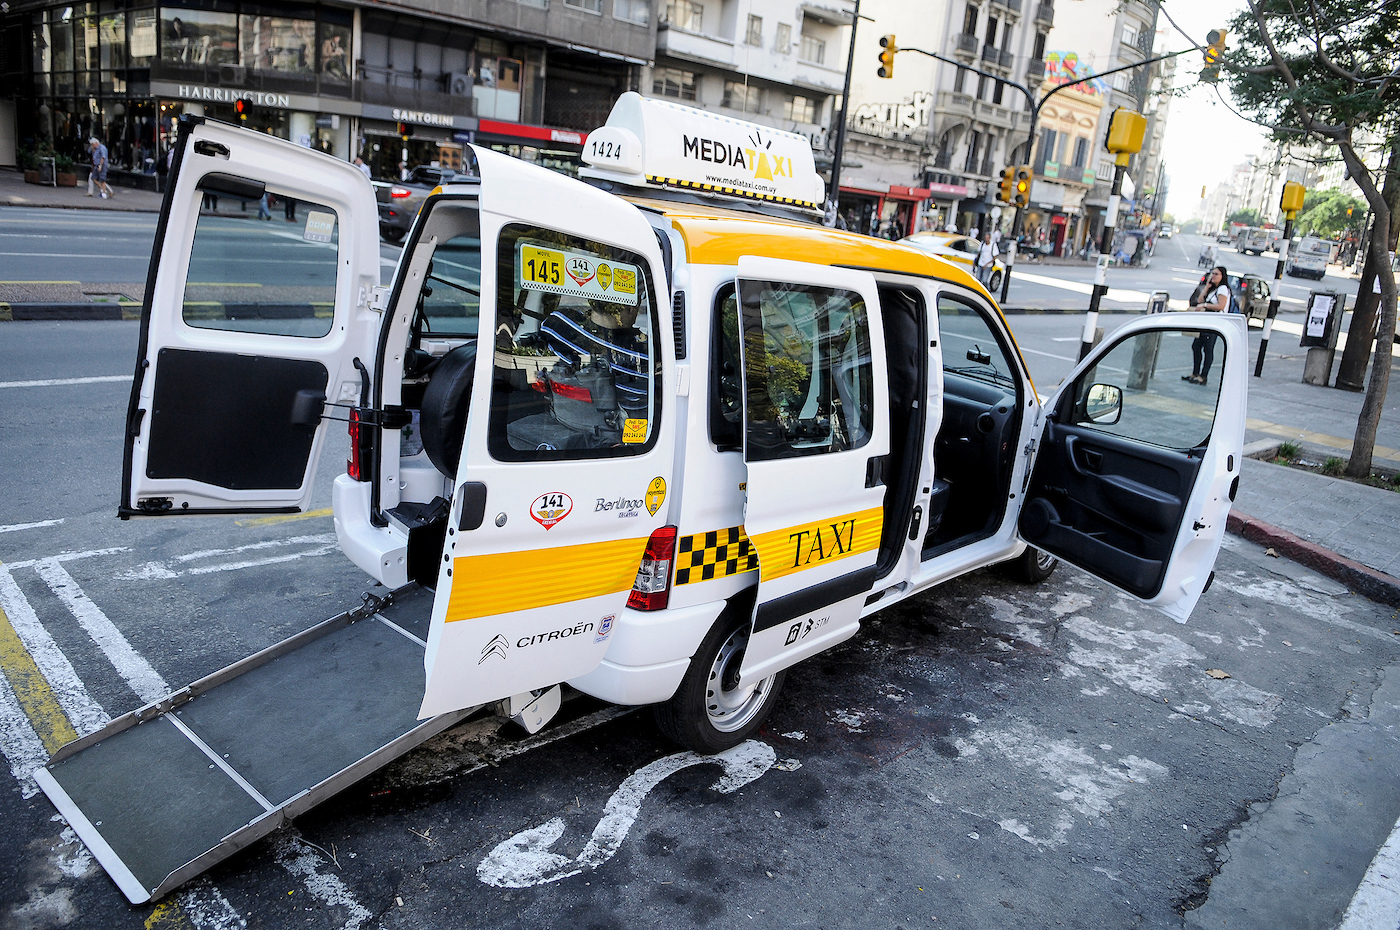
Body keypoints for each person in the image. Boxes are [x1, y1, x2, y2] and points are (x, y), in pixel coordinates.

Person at [1185, 265, 1230, 385]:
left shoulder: (1223, 289)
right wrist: (1206, 287)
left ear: (1222, 276)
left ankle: (1203, 376)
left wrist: (1205, 306)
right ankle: (1195, 373)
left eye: (1216, 274)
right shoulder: (1213, 289)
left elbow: (1221, 306)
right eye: (1212, 274)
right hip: (1205, 322)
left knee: (1208, 349)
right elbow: (1199, 300)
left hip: (1214, 323)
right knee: (1196, 346)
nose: (1213, 276)